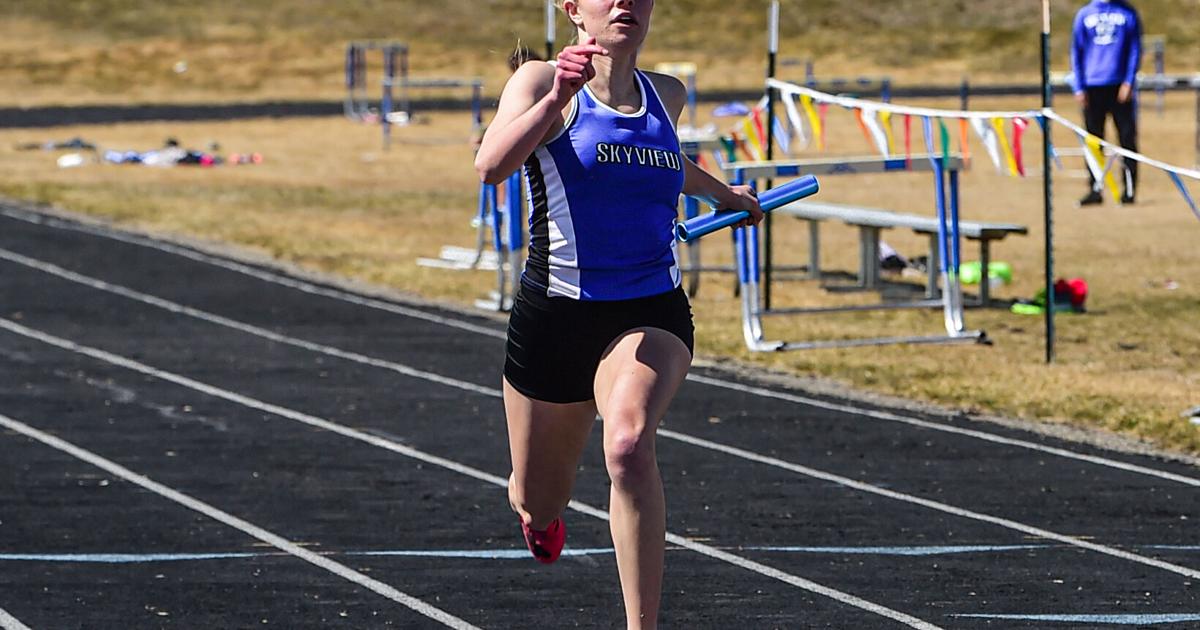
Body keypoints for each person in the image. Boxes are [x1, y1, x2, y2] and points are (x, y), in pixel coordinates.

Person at [473, 1, 762, 626]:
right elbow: (491, 165)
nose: (627, 1)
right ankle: (539, 515)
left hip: (649, 307)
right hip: (555, 315)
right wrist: (555, 99)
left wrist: (724, 192)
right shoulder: (536, 81)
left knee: (628, 444)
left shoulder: (667, 94)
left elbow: (654, 161)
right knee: (536, 496)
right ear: (573, 8)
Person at [1070, 0, 1142, 206]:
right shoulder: (1084, 14)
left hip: (1120, 86)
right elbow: (1077, 50)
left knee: (1127, 139)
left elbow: (1135, 49)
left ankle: (1128, 190)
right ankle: (1095, 188)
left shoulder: (1128, 13)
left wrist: (1129, 81)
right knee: (1093, 141)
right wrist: (1079, 86)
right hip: (1092, 86)